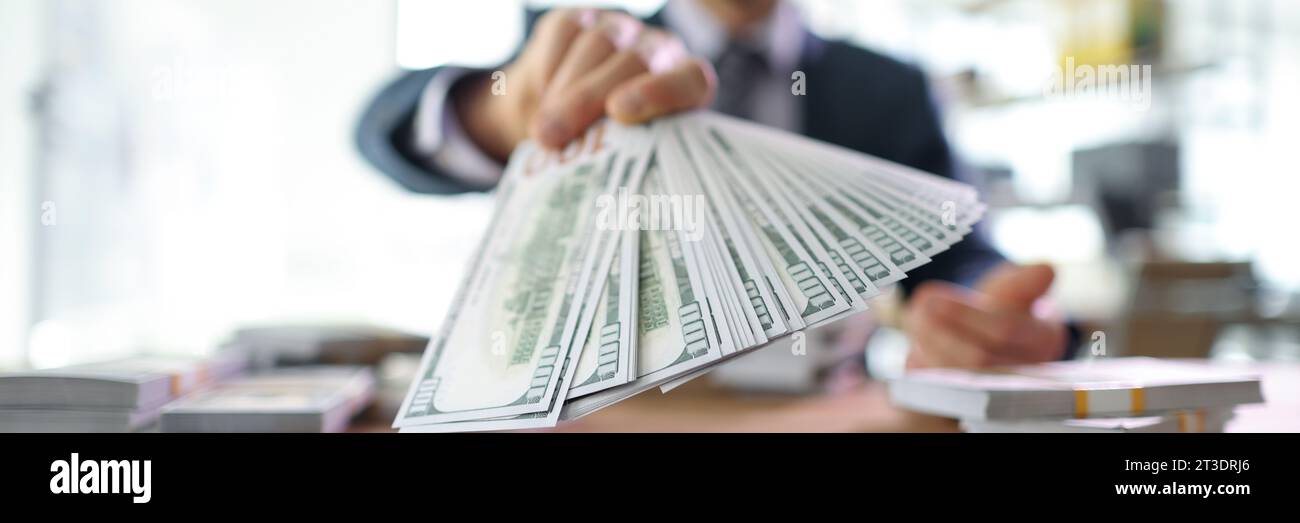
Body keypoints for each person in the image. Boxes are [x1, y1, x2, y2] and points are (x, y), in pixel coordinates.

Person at [356, 0, 1074, 370]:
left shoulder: (890, 88)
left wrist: (983, 308)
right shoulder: (585, 41)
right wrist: (502, 113)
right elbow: (385, 127)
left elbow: (956, 255)